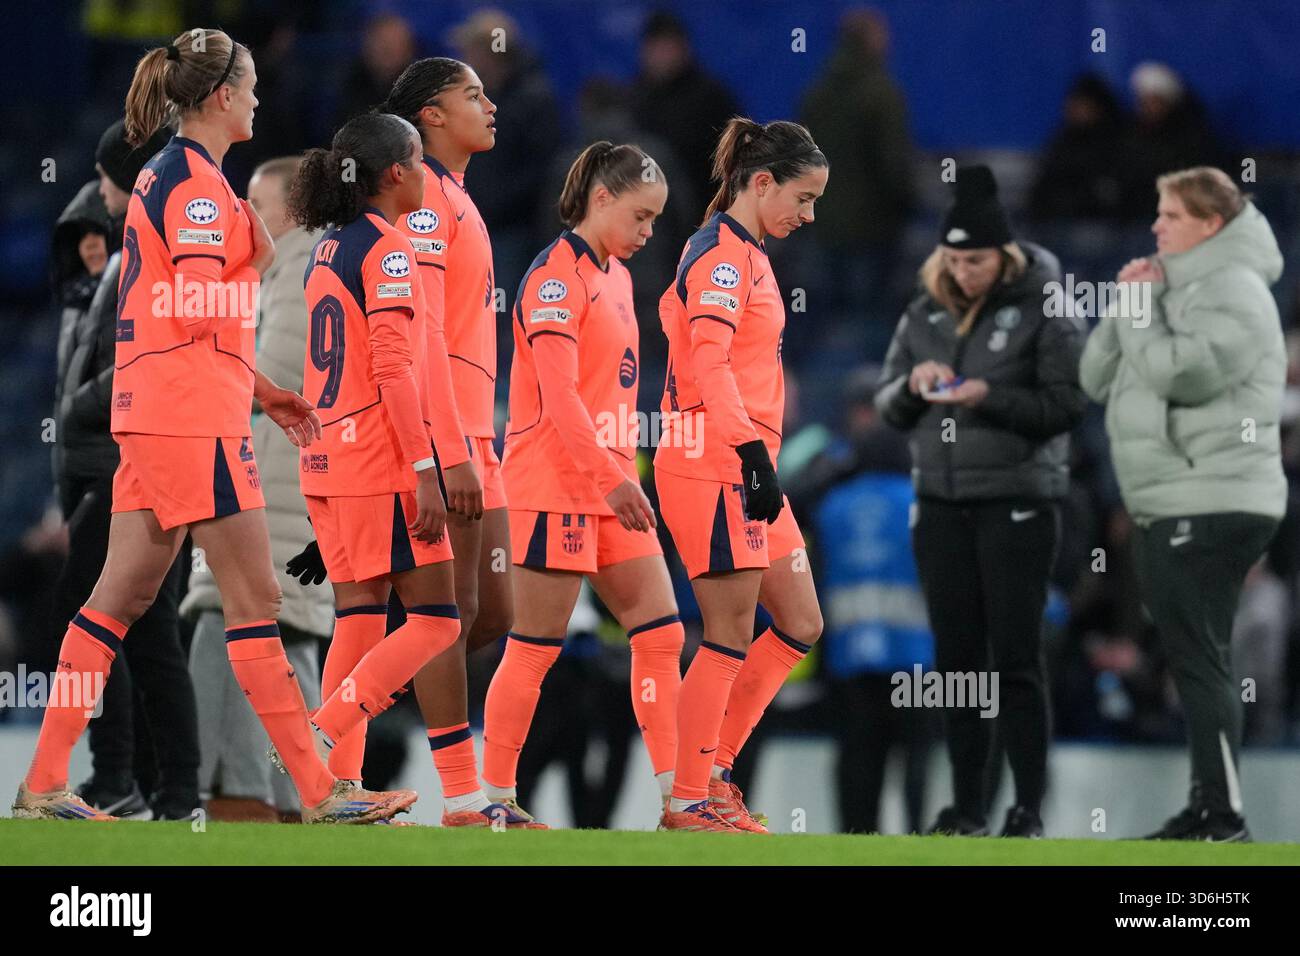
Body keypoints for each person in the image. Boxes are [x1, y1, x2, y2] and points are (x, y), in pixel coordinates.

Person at [12, 29, 413, 825]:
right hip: (192, 420)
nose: (261, 97)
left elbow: (191, 316)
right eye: (253, 85)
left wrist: (264, 388)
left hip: (173, 412)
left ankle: (44, 780)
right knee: (254, 597)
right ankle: (317, 790)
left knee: (119, 599)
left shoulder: (185, 179)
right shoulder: (195, 191)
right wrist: (253, 273)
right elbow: (198, 308)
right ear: (222, 96)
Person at [287, 110, 536, 829]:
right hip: (381, 461)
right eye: (420, 160)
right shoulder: (391, 251)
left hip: (329, 462)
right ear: (396, 173)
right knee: (434, 619)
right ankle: (320, 736)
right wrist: (427, 466)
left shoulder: (328, 248)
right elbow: (394, 370)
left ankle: (338, 792)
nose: (429, 173)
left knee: (360, 624)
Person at [875, 165, 1086, 838]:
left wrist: (984, 397)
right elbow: (887, 405)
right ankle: (966, 809)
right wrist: (915, 384)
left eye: (978, 259)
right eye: (957, 258)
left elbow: (1069, 403)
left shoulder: (1046, 303)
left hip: (1018, 504)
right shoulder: (925, 309)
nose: (966, 271)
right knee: (957, 665)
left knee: (1017, 661)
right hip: (940, 504)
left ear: (1006, 254)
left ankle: (1026, 810)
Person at [1079, 167, 1286, 842]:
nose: (1156, 226)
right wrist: (1129, 304)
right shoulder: (1172, 285)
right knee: (1196, 654)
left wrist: (1141, 312)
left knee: (1198, 654)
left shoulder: (1235, 288)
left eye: (1170, 215)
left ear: (1210, 224)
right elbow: (1095, 374)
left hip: (1212, 494)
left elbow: (1185, 373)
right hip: (1176, 497)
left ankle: (1222, 814)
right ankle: (1210, 806)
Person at [481, 141, 683, 823]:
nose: (648, 233)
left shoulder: (616, 275)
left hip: (609, 486)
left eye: (656, 219)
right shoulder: (553, 278)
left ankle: (677, 799)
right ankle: (498, 799)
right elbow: (560, 398)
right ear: (601, 199)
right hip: (553, 487)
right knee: (536, 648)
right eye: (641, 216)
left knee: (660, 633)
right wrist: (612, 478)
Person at [358, 56, 522, 823]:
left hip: (474, 433)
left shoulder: (456, 199)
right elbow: (411, 335)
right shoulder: (425, 211)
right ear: (429, 115)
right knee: (448, 616)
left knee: (492, 613)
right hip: (446, 433)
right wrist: (442, 448)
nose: (491, 107)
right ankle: (462, 796)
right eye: (472, 96)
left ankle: (358, 704)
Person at [654, 118, 828, 832]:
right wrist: (753, 457)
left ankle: (712, 771)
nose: (808, 215)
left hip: (744, 466)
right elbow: (709, 364)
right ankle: (689, 797)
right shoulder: (722, 259)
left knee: (801, 621)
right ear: (761, 183)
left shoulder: (744, 255)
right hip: (716, 464)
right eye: (804, 197)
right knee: (726, 632)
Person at [52, 119, 201, 820]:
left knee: (122, 624)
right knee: (138, 630)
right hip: (123, 464)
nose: (99, 187)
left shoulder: (137, 261)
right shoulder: (113, 267)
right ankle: (148, 785)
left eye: (109, 174)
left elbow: (145, 358)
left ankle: (129, 779)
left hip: (125, 463)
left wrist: (78, 406)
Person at [183, 155, 335, 822]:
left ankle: (247, 801)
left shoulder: (296, 271)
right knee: (289, 654)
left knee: (225, 644)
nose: (243, 215)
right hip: (296, 508)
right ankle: (305, 800)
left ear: (294, 212)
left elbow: (267, 375)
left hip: (269, 506)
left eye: (257, 202)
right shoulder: (308, 269)